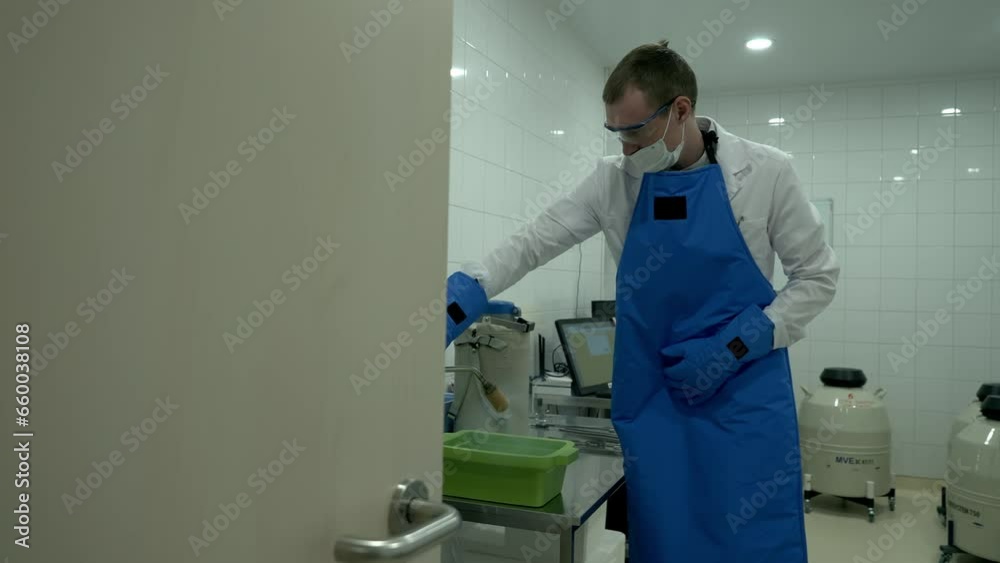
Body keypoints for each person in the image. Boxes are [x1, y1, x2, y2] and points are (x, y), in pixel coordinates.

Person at [446, 39, 839, 562]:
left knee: (750, 538)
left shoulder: (765, 173)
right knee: (664, 540)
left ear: (681, 110)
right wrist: (461, 297)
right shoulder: (614, 182)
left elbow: (817, 277)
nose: (626, 151)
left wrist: (736, 346)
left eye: (635, 133)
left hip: (745, 398)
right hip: (656, 400)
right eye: (615, 135)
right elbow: (534, 241)